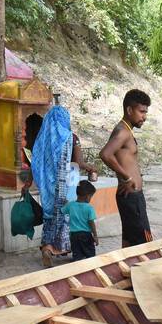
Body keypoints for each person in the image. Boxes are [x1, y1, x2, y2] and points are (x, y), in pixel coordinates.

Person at [26, 106, 100, 265]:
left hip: (48, 187)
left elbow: (36, 164)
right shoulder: (72, 138)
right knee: (67, 216)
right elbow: (78, 163)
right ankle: (68, 248)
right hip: (69, 183)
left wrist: (28, 183)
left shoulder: (43, 139)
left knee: (51, 217)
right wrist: (91, 168)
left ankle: (47, 248)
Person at [100, 89, 152, 247]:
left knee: (130, 241)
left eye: (146, 112)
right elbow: (105, 154)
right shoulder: (123, 132)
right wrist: (127, 177)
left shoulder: (125, 130)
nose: (144, 116)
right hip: (132, 197)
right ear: (129, 110)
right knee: (144, 244)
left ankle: (127, 271)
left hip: (131, 196)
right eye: (141, 111)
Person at [65, 181, 99, 261]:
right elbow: (91, 223)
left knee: (77, 255)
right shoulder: (89, 208)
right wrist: (95, 235)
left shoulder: (70, 205)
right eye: (91, 196)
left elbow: (62, 210)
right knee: (90, 255)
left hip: (73, 236)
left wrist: (65, 203)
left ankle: (78, 268)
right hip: (86, 236)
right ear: (87, 196)